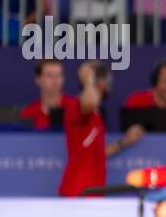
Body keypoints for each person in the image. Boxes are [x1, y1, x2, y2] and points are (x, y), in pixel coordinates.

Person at [58, 61, 145, 197]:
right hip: (77, 192)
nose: (110, 85)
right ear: (100, 82)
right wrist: (88, 81)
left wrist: (125, 142)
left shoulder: (96, 115)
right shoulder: (75, 106)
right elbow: (90, 102)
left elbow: (98, 152)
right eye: (107, 80)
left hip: (95, 191)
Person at [20, 58, 79, 130]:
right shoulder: (28, 113)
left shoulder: (77, 107)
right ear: (38, 79)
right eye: (49, 75)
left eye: (58, 75)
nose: (55, 81)